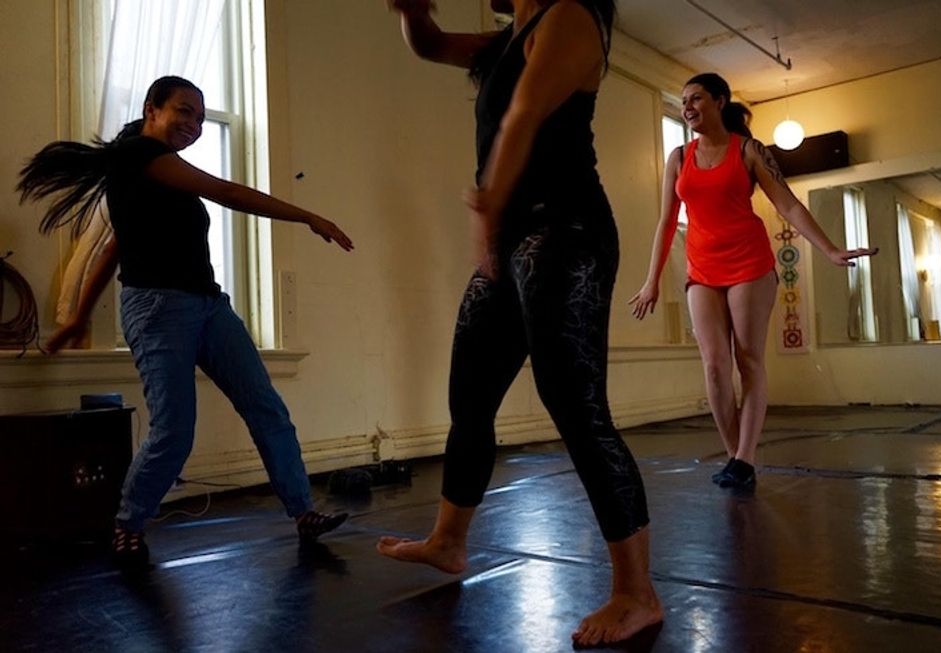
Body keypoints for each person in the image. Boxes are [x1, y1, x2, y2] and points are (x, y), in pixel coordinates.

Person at [379, 1, 662, 647]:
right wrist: (413, 10)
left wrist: (483, 210)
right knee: (470, 396)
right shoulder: (508, 38)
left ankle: (637, 592)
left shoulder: (570, 14)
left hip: (565, 229)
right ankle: (449, 541)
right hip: (512, 235)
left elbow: (523, 115)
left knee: (575, 404)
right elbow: (429, 46)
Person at [18, 76, 354, 566]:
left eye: (199, 116)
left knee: (266, 408)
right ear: (152, 109)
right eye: (183, 111)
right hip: (157, 308)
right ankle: (128, 524)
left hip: (208, 306)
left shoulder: (158, 174)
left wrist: (77, 318)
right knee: (176, 430)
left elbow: (114, 250)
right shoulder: (135, 156)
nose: (194, 124)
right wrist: (307, 216)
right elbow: (225, 192)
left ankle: (303, 512)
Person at [629, 72, 878, 490]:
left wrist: (829, 249)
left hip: (749, 264)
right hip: (702, 270)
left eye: (697, 99)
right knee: (713, 366)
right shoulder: (678, 157)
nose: (688, 107)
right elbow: (666, 223)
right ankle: (736, 458)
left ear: (720, 101)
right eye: (684, 101)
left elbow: (789, 206)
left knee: (748, 360)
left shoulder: (748, 150)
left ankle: (745, 456)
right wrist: (651, 280)